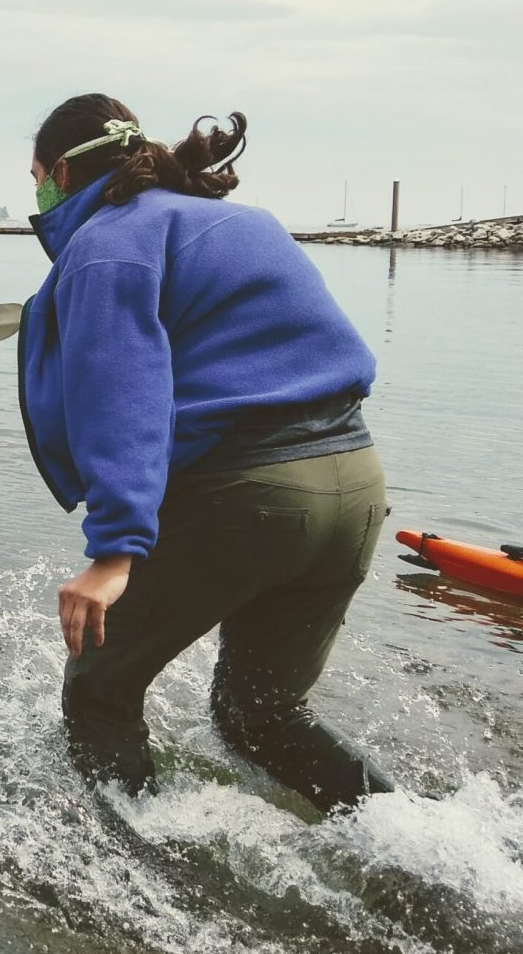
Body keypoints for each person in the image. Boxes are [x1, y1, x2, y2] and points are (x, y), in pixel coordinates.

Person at [20, 92, 394, 816]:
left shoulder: (106, 244)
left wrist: (115, 552)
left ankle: (130, 891)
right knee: (262, 718)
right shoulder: (244, 222)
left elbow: (120, 392)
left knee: (100, 688)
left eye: (34, 177)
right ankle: (427, 853)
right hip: (355, 482)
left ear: (61, 174)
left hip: (249, 496)